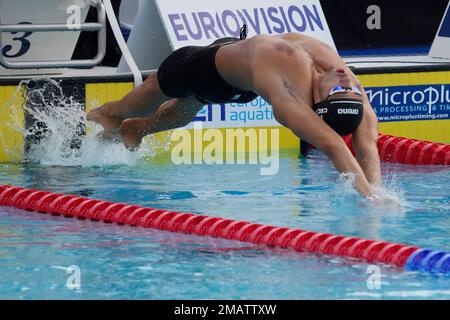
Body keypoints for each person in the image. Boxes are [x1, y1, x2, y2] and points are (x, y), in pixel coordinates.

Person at [87, 28, 380, 199]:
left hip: (224, 76)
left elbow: (351, 143)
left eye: (343, 89)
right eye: (352, 88)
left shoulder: (307, 95)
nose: (345, 78)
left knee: (180, 109)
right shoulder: (340, 79)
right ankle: (101, 119)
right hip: (209, 69)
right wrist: (372, 195)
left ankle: (126, 126)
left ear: (317, 100)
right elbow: (341, 142)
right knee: (135, 110)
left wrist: (374, 193)